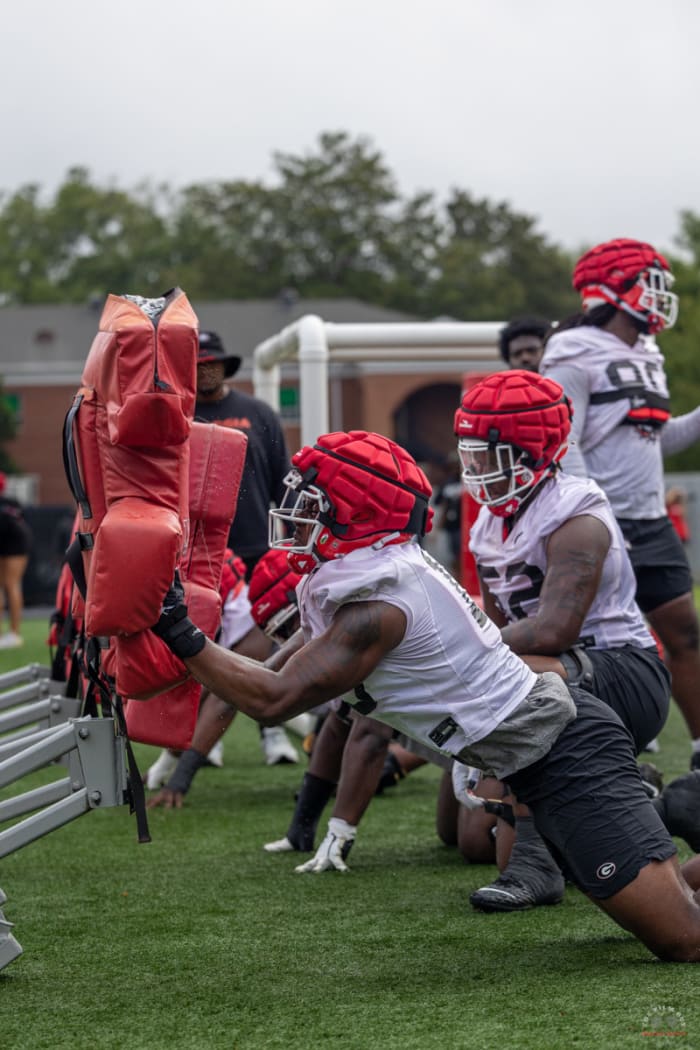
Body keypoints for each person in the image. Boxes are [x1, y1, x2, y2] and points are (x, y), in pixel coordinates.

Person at [150, 429, 700, 963]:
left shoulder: (377, 606)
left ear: (356, 515)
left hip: (564, 755)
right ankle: (661, 815)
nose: (294, 512)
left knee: (683, 940)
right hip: (528, 760)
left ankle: (675, 804)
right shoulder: (364, 577)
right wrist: (179, 652)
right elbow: (261, 676)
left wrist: (176, 627)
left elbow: (273, 699)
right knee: (653, 895)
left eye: (310, 502)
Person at [453, 369, 700, 912]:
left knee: (517, 679)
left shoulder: (576, 513)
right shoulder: (489, 526)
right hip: (545, 672)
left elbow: (553, 631)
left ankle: (546, 859)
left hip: (623, 674)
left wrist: (469, 651)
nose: (475, 469)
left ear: (533, 451)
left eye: (488, 455)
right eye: (470, 453)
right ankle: (647, 802)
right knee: (471, 840)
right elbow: (499, 631)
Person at [540, 238, 700, 770]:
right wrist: (597, 516)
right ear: (612, 289)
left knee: (686, 635)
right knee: (605, 648)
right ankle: (605, 758)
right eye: (651, 282)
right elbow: (565, 441)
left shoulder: (646, 352)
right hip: (602, 522)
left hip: (652, 520)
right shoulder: (571, 351)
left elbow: (657, 439)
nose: (659, 296)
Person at [194, 330, 297, 764]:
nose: (206, 370)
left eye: (213, 362)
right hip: (200, 555)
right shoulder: (178, 414)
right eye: (198, 364)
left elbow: (284, 482)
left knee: (263, 648)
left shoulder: (258, 414)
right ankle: (206, 738)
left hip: (255, 549)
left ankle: (271, 733)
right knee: (203, 644)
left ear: (225, 365)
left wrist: (292, 546)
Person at [0, 473, 32, 649]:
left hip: (14, 543)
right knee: (8, 585)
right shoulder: (13, 502)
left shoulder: (8, 504)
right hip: (17, 541)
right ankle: (10, 634)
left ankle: (14, 633)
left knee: (11, 584)